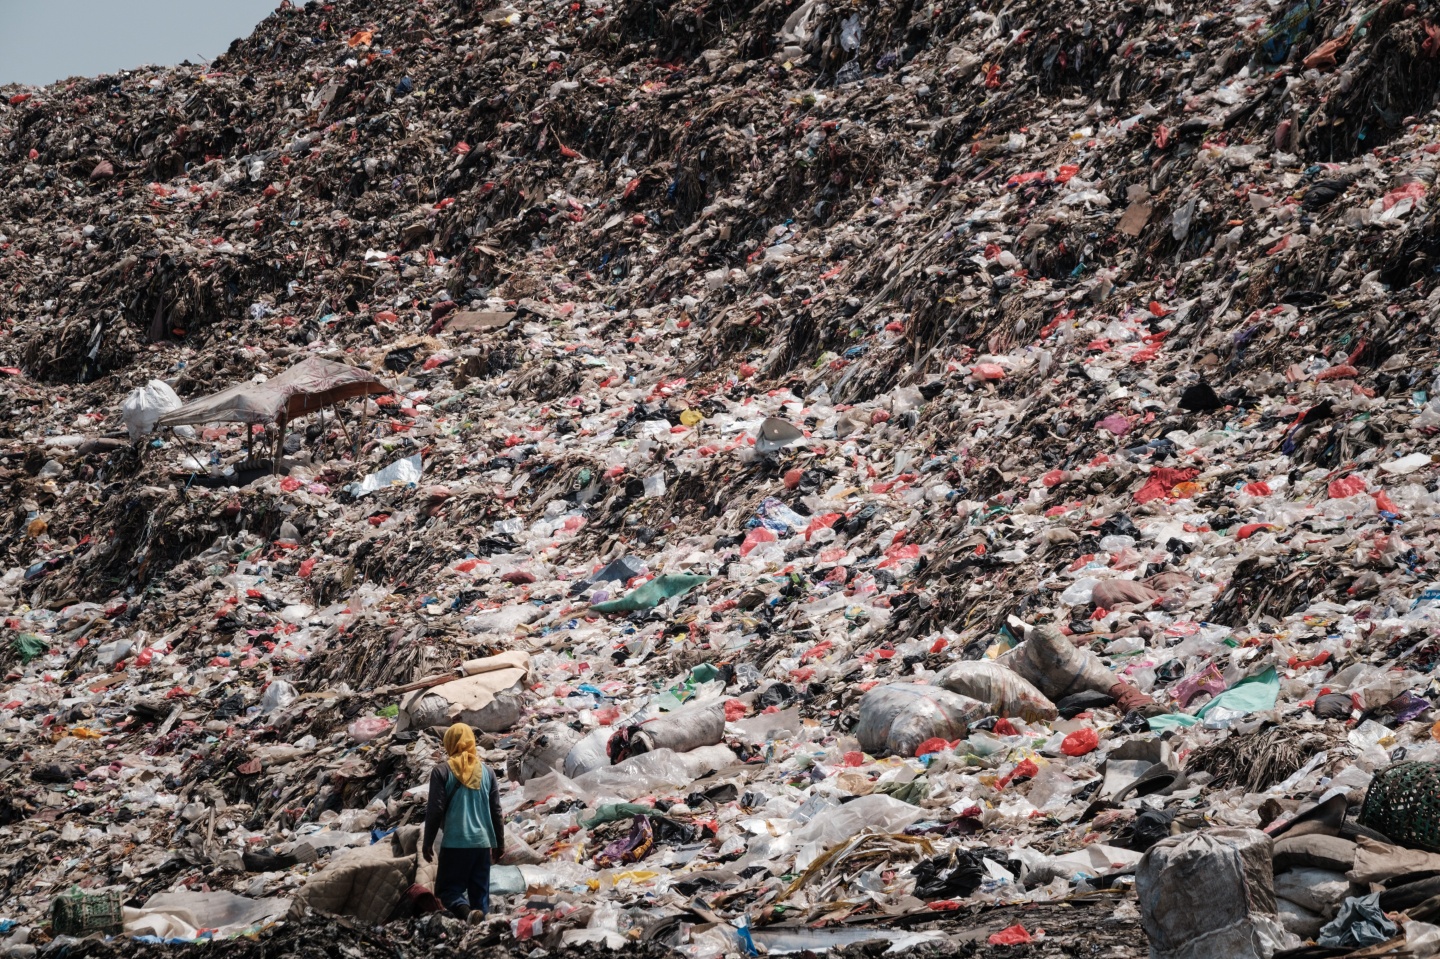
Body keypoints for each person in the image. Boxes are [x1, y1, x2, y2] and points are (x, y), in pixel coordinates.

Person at [422, 723, 504, 921]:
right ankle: (481, 934)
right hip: (483, 845)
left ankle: (466, 914)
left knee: (447, 892)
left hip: (456, 844)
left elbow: (435, 810)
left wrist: (428, 842)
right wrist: (499, 844)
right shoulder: (488, 773)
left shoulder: (441, 772)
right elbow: (496, 811)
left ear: (449, 743)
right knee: (480, 897)